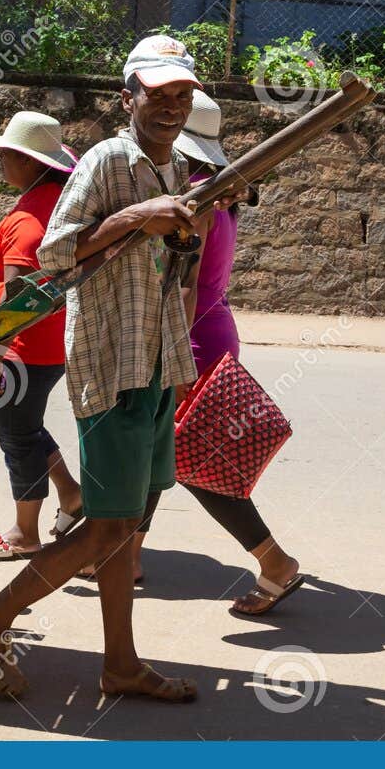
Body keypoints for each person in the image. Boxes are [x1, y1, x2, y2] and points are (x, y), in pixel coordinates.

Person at [0, 34, 201, 703]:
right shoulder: (102, 163)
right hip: (108, 361)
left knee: (125, 525)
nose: (172, 106)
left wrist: (179, 238)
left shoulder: (175, 167)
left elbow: (167, 261)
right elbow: (57, 255)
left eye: (182, 94)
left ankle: (120, 662)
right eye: (158, 94)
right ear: (128, 97)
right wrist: (138, 216)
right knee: (104, 525)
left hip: (153, 358)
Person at [128, 89, 304, 615]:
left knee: (194, 461)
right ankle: (125, 554)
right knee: (160, 450)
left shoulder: (199, 204)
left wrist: (176, 358)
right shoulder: (218, 198)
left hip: (195, 337)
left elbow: (184, 284)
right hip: (212, 328)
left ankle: (274, 561)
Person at [0, 111, 84, 561]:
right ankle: (72, 496)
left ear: (29, 162)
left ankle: (25, 533)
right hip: (50, 341)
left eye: (7, 156)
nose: (1, 163)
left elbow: (15, 302)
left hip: (24, 346)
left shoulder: (28, 220)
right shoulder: (57, 200)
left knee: (15, 435)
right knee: (19, 426)